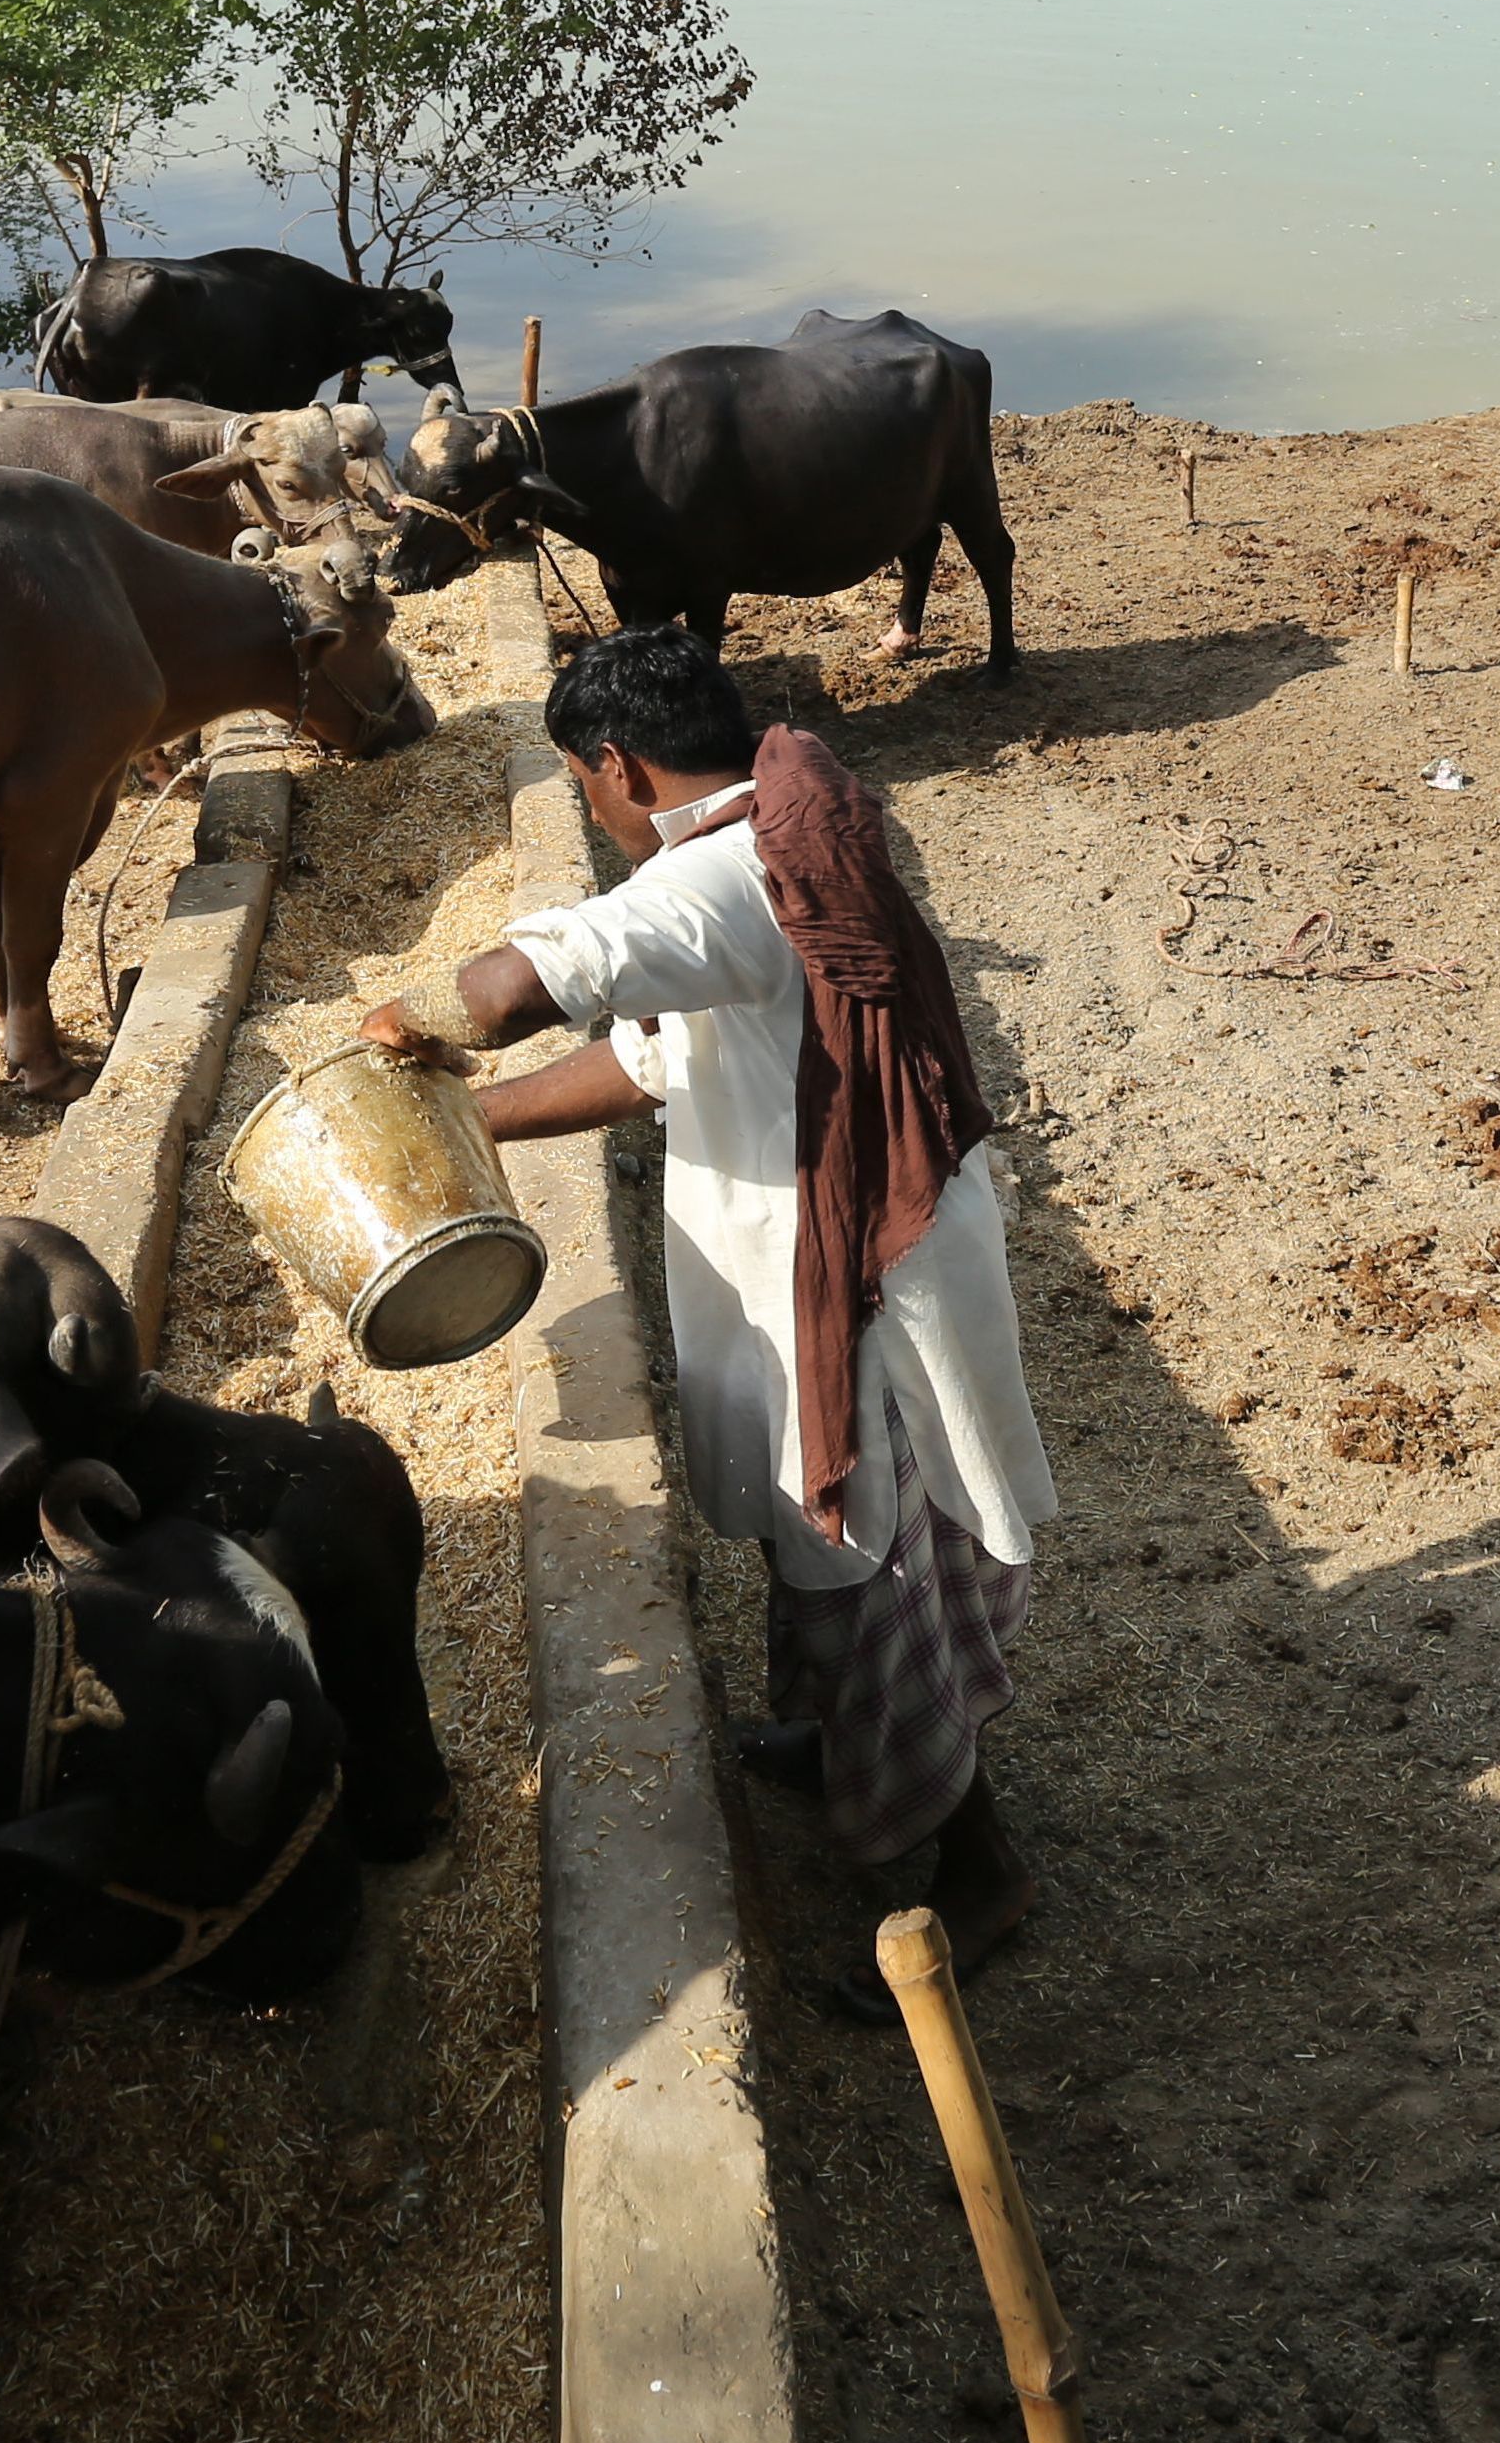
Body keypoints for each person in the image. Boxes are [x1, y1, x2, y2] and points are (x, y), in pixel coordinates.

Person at [361, 625, 1054, 1997]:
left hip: (860, 1289)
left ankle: (983, 1869)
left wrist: (411, 1025)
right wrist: (469, 1123)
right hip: (843, 1255)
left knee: (878, 1568)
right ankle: (836, 1745)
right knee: (827, 1542)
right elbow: (649, 1065)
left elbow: (520, 986)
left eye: (586, 785)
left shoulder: (730, 876)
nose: (597, 813)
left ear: (618, 765)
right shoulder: (785, 821)